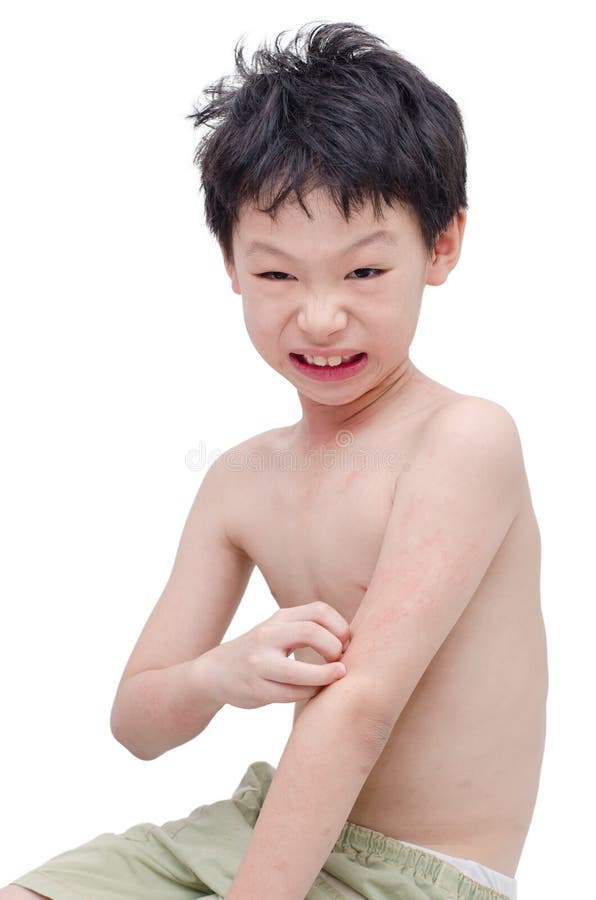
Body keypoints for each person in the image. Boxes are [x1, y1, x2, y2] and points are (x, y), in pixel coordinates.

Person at [3, 19, 547, 900]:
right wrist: (220, 672)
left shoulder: (464, 440)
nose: (321, 317)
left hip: (412, 874)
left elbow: (359, 709)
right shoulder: (241, 481)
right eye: (279, 276)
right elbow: (137, 723)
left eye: (364, 273)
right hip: (259, 825)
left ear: (441, 246)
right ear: (231, 267)